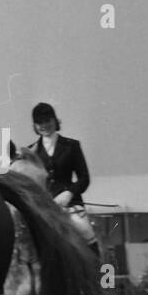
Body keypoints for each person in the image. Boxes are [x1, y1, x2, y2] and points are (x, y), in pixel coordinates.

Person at [28, 102, 98, 253]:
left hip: (69, 204)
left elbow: (84, 178)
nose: (44, 125)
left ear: (55, 121)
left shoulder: (72, 146)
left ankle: (99, 271)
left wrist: (69, 193)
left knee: (86, 230)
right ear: (35, 125)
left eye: (47, 120)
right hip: (43, 206)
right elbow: (13, 171)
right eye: (39, 122)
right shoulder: (30, 151)